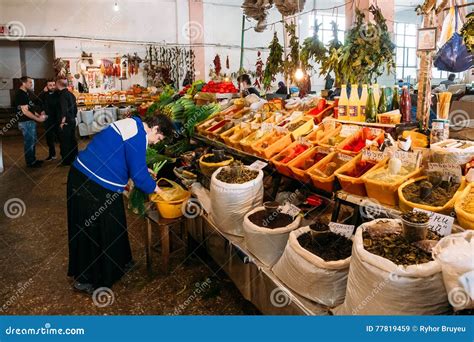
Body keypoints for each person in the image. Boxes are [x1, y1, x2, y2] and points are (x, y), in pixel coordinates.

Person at [67, 114, 174, 293]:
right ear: (155, 129)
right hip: (89, 183)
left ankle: (118, 262)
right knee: (94, 231)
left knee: (114, 221)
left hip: (91, 179)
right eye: (159, 138)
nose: (156, 142)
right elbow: (139, 177)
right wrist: (159, 191)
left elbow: (125, 154)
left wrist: (143, 169)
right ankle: (87, 279)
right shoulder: (138, 134)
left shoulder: (135, 125)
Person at [14, 76, 46, 168]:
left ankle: (33, 159)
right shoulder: (20, 94)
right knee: (29, 143)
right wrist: (38, 119)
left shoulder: (25, 93)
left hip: (29, 122)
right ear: (24, 83)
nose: (31, 84)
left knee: (32, 142)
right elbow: (25, 111)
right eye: (30, 82)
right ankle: (30, 162)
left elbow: (30, 108)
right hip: (26, 122)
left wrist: (37, 115)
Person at [56, 78, 78, 165]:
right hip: (72, 120)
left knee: (65, 141)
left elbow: (63, 110)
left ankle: (66, 160)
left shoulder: (62, 95)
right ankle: (74, 157)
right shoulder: (71, 94)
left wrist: (62, 122)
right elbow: (75, 108)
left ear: (58, 85)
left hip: (66, 121)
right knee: (72, 140)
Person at [39, 80, 60, 161]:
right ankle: (52, 155)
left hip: (57, 119)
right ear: (46, 86)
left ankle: (64, 155)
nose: (52, 86)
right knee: (49, 139)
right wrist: (42, 110)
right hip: (48, 120)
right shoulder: (44, 95)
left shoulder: (59, 94)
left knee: (60, 138)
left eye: (53, 85)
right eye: (50, 85)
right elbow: (38, 102)